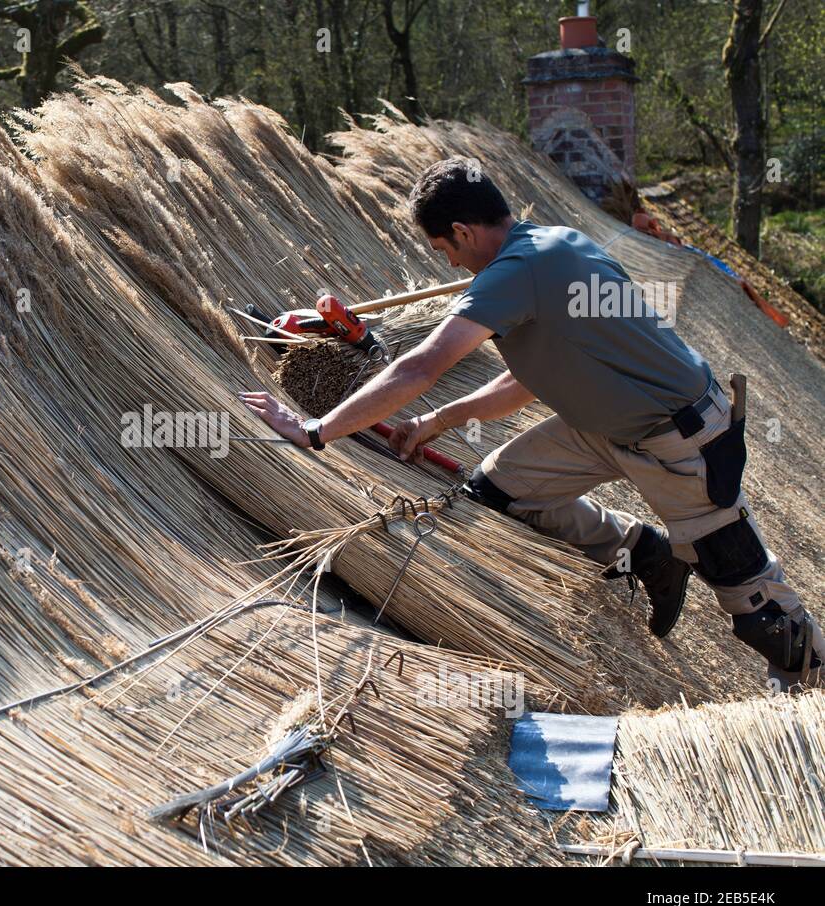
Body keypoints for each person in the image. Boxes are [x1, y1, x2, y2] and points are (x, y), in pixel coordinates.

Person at [240, 157, 822, 692]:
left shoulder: (517, 270)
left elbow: (422, 363)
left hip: (681, 437)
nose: (448, 261)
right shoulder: (556, 246)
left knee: (751, 596)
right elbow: (530, 381)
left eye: (443, 247)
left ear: (464, 233)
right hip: (602, 426)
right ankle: (645, 550)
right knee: (500, 491)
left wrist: (317, 431)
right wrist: (443, 417)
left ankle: (811, 682)